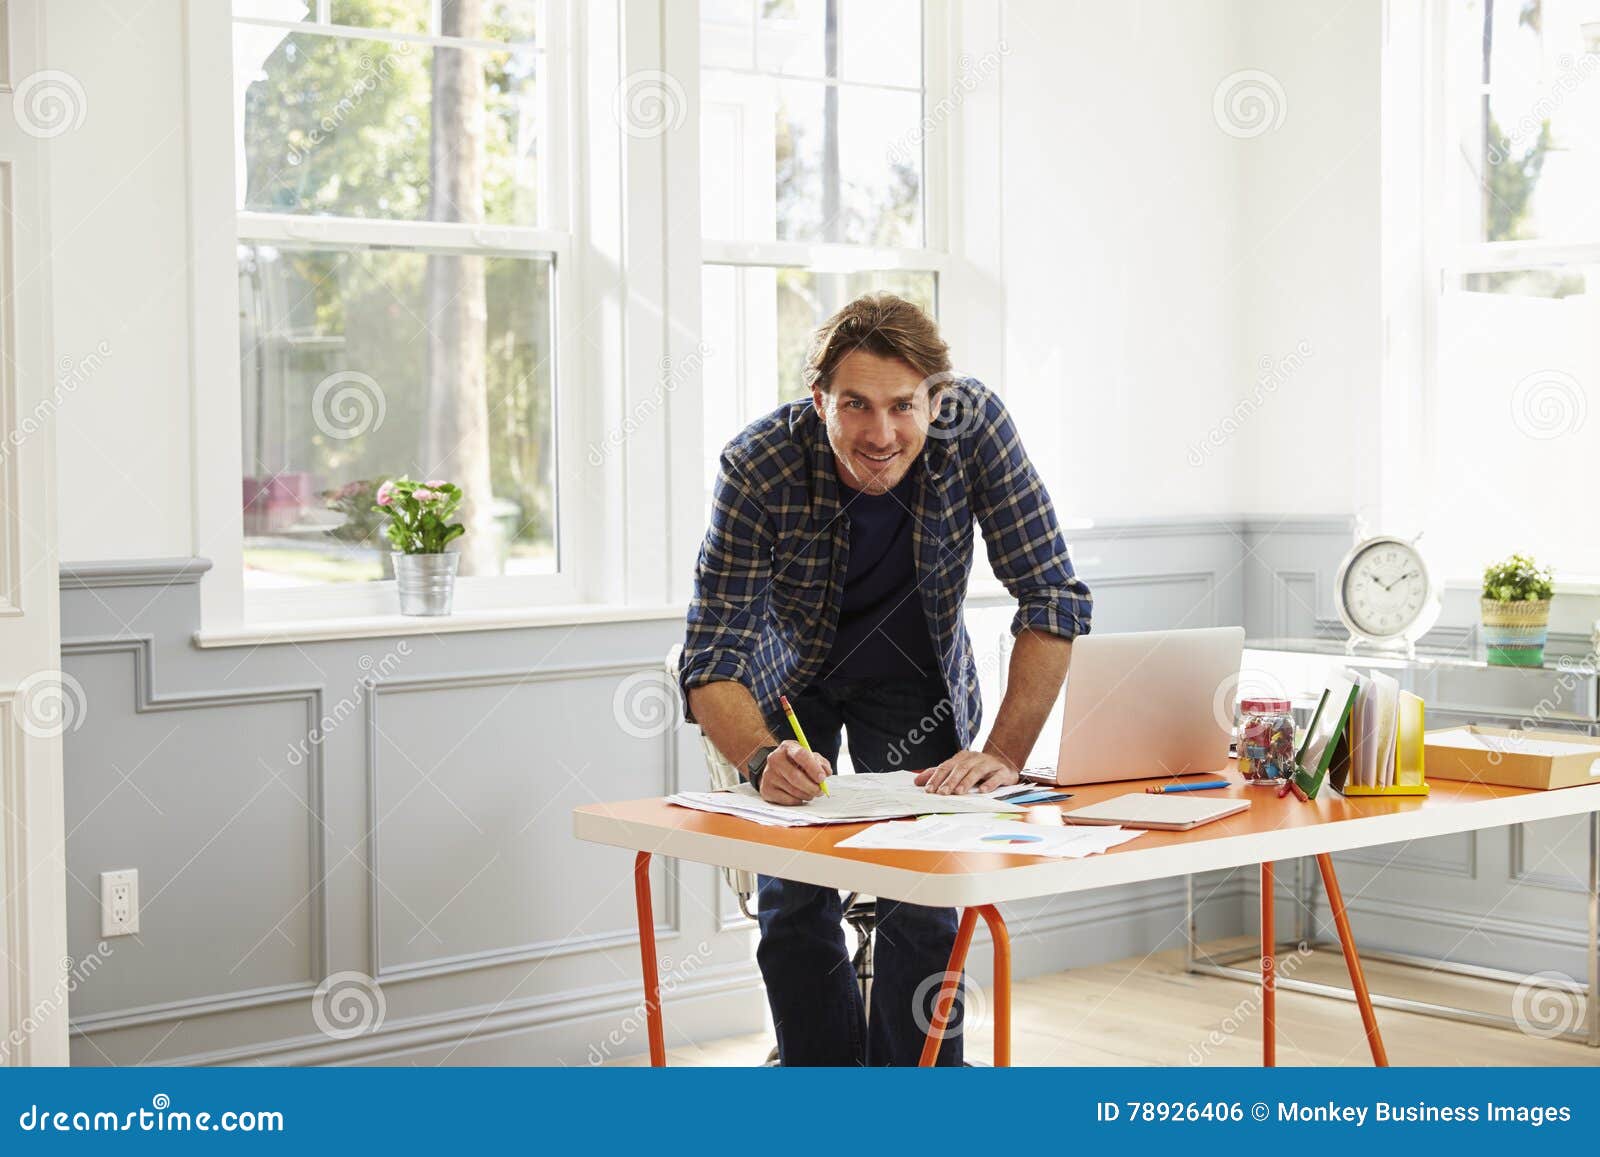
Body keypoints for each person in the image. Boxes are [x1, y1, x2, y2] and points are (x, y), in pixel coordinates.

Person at [679, 293, 1092, 1065]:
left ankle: (920, 1092)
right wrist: (765, 759)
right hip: (788, 686)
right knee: (796, 897)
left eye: (903, 406)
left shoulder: (976, 427)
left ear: (936, 400)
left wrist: (1003, 749)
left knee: (925, 891)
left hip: (917, 676)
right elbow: (710, 659)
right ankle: (822, 1090)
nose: (880, 433)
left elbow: (1054, 595)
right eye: (855, 406)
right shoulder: (758, 463)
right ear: (818, 401)